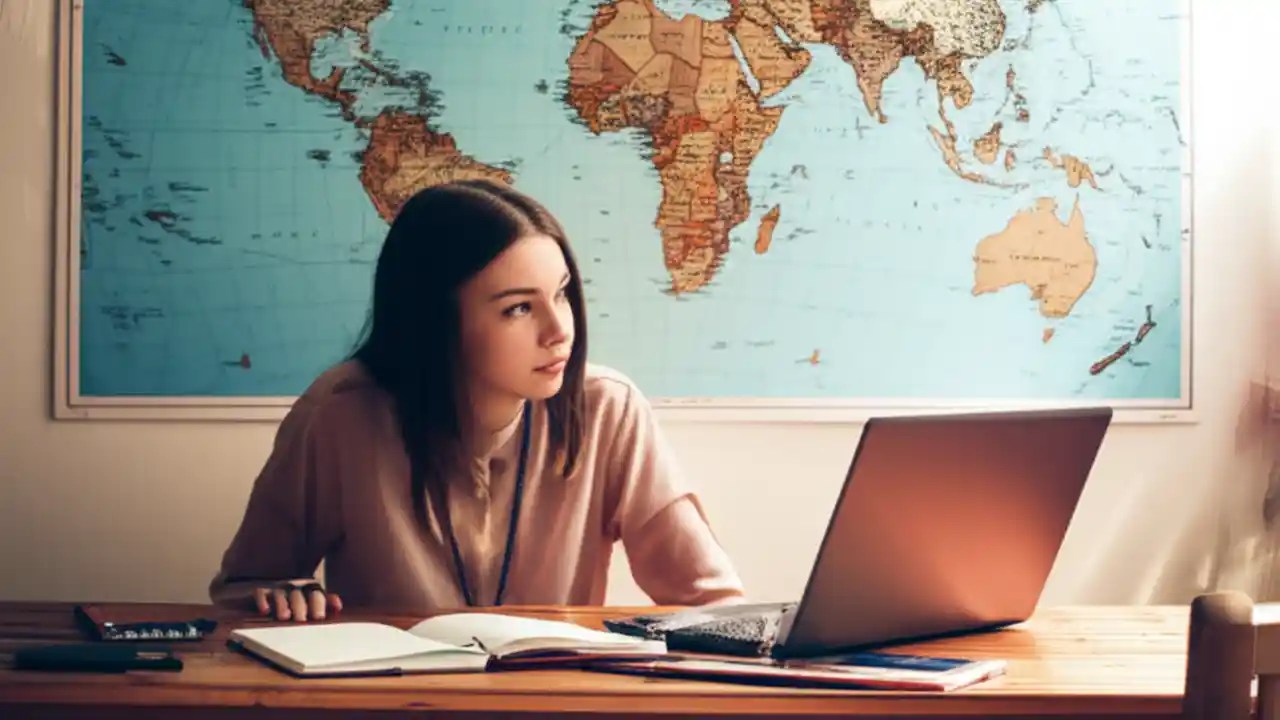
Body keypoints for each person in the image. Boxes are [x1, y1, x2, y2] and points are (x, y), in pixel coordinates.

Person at [209, 179, 745, 621]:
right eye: (518, 308)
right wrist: (282, 596)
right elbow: (246, 584)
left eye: (561, 293)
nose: (561, 330)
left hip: (553, 702)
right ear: (437, 323)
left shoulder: (608, 409)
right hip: (396, 702)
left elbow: (715, 601)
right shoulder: (341, 414)